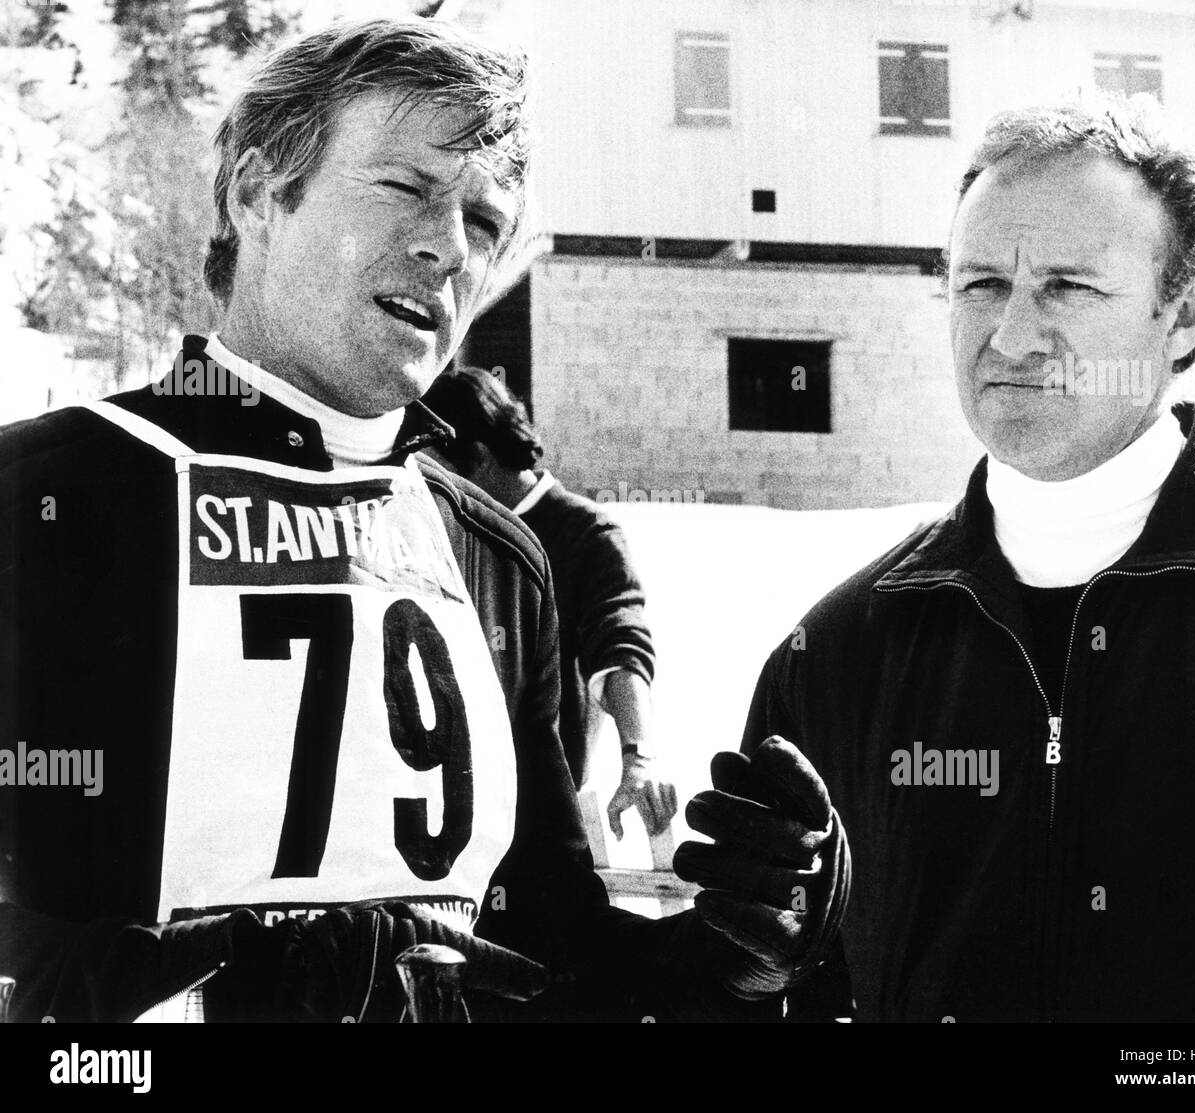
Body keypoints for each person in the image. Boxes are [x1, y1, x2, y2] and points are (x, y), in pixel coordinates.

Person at [0, 17, 847, 1022]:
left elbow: (547, 953)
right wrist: (213, 983)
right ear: (259, 195)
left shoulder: (498, 554)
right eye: (406, 188)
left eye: (484, 225)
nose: (448, 248)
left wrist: (736, 954)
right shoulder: (44, 500)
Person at [725, 94, 1195, 1021]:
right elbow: (775, 992)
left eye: (1068, 286)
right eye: (981, 282)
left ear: (1184, 315)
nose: (1012, 335)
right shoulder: (836, 655)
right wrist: (762, 973)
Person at [423, 365, 677, 842]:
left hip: (537, 825)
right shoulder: (435, 529)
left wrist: (639, 757)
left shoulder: (585, 533)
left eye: (435, 467)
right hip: (442, 815)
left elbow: (622, 644)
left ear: (476, 458)